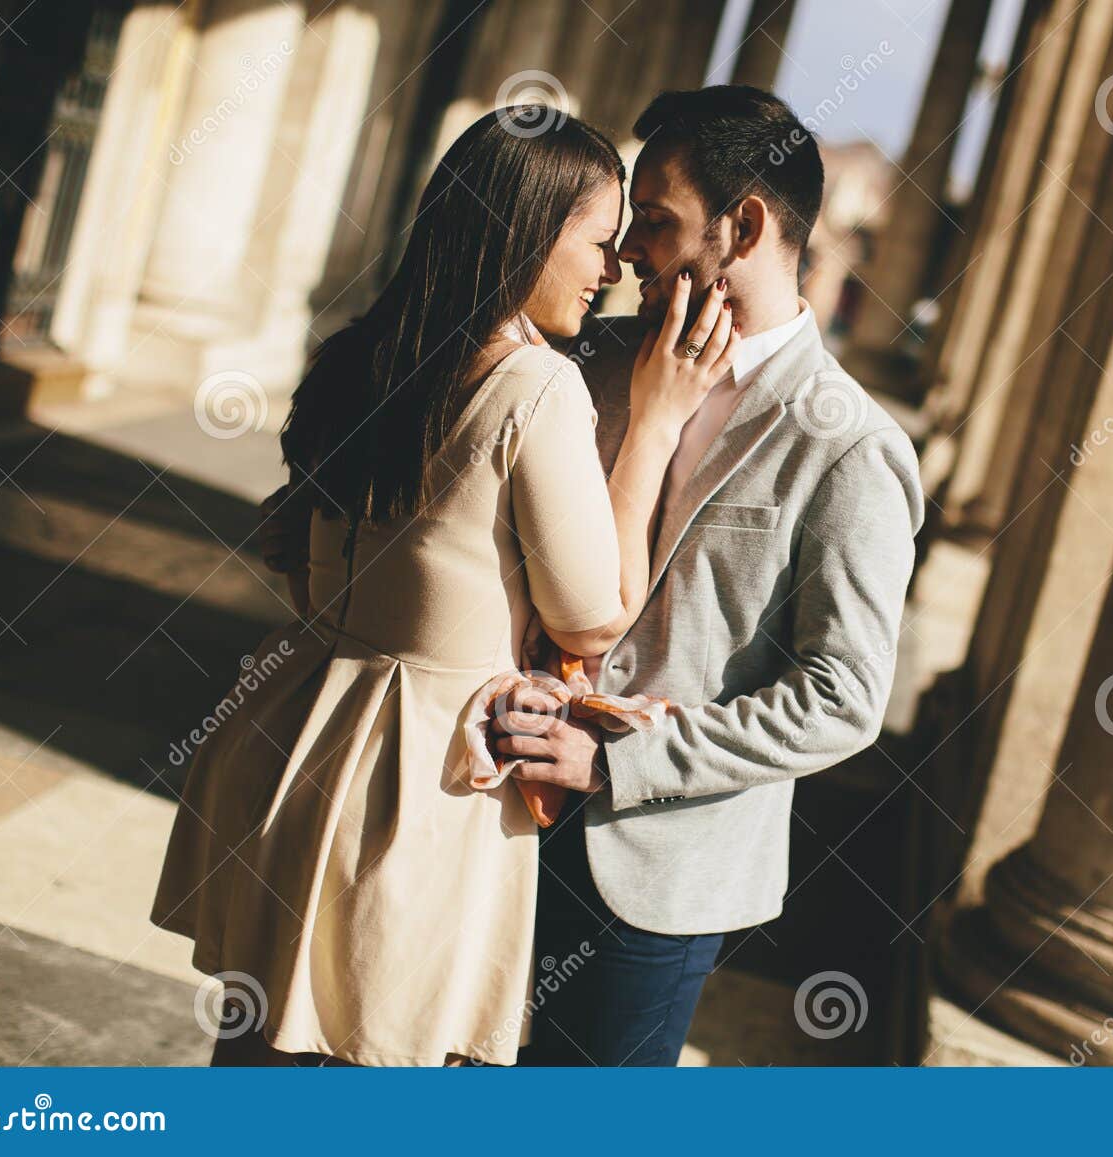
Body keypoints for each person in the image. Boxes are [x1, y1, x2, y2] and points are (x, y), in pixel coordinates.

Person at [264, 85, 925, 1068]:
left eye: (654, 224)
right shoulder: (573, 360)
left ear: (742, 226)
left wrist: (614, 760)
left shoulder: (851, 447)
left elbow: (840, 699)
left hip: (653, 874)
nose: (627, 255)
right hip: (473, 817)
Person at [151, 105, 737, 1067]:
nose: (611, 269)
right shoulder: (536, 386)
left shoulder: (356, 358)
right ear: (528, 236)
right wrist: (658, 425)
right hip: (413, 779)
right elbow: (593, 611)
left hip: (296, 737)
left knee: (261, 1048)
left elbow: (303, 570)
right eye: (595, 240)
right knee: (381, 1055)